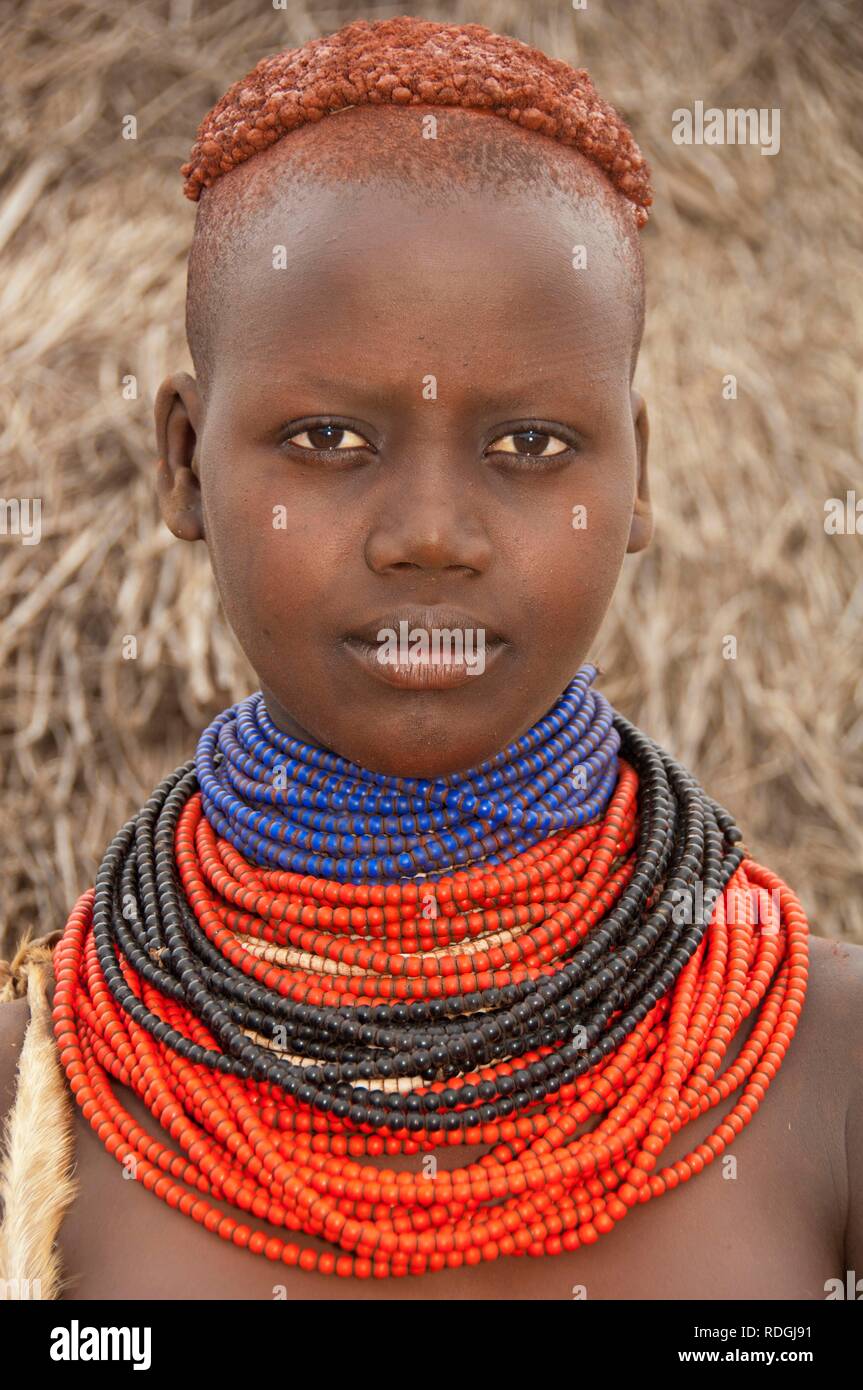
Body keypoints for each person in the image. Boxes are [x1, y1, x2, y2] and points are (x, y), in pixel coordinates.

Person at [1, 15, 861, 1303]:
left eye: (529, 448)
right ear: (182, 463)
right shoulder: (43, 1099)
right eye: (330, 438)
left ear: (639, 479)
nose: (430, 538)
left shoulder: (824, 1062)